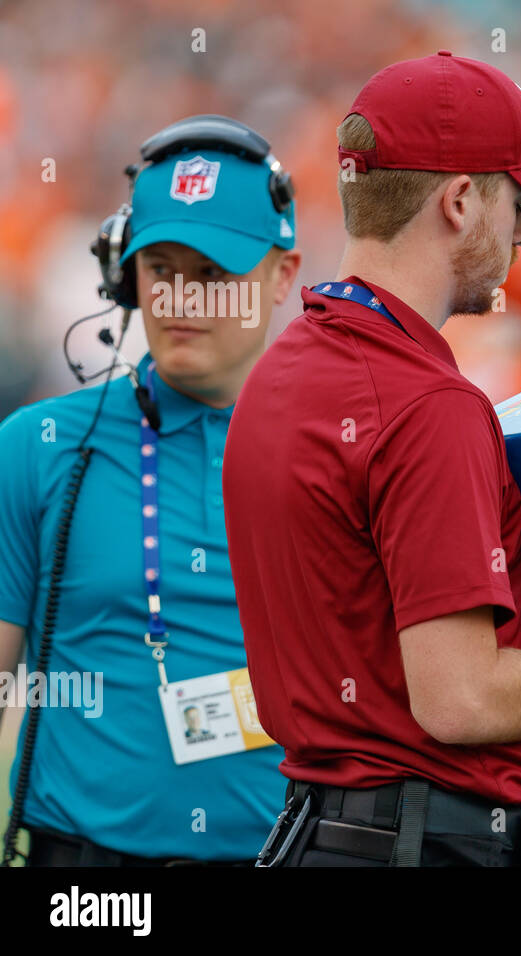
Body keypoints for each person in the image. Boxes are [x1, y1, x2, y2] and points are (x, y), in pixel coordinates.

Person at [222, 51, 521, 867]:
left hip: (325, 828)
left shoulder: (279, 370)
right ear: (460, 200)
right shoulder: (427, 401)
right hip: (433, 840)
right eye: (518, 199)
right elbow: (462, 699)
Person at [0, 115, 302, 865]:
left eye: (213, 274)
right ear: (122, 276)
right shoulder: (38, 447)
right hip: (88, 881)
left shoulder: (337, 453)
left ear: (282, 278)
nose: (183, 300)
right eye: (161, 269)